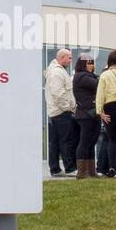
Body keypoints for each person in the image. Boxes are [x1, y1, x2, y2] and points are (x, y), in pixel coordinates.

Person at [44, 48, 77, 176]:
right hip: (61, 112)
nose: (71, 60)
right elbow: (58, 93)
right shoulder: (57, 72)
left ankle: (55, 169)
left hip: (56, 112)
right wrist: (67, 107)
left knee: (56, 142)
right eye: (69, 58)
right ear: (62, 58)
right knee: (66, 141)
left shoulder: (56, 71)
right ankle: (70, 168)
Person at [71, 53, 99, 178]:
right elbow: (98, 85)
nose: (92, 65)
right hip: (85, 114)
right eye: (89, 63)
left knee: (91, 142)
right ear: (82, 64)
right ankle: (82, 172)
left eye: (92, 62)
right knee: (84, 142)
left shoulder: (90, 76)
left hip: (93, 113)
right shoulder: (81, 76)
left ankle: (91, 172)